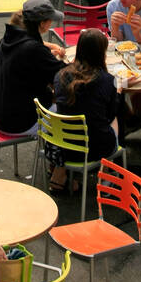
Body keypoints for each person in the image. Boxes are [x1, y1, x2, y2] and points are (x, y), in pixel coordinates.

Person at [49, 29, 121, 191]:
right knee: (114, 120)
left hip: (63, 144)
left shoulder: (60, 75)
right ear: (101, 53)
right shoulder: (107, 80)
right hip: (93, 148)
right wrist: (117, 94)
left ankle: (60, 174)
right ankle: (107, 176)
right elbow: (109, 115)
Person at [0, 0, 66, 135]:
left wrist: (48, 50)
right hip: (20, 122)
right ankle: (63, 153)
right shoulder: (33, 49)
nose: (52, 23)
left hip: (1, 116)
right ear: (42, 23)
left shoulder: (8, 39)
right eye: (50, 20)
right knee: (73, 107)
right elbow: (63, 76)